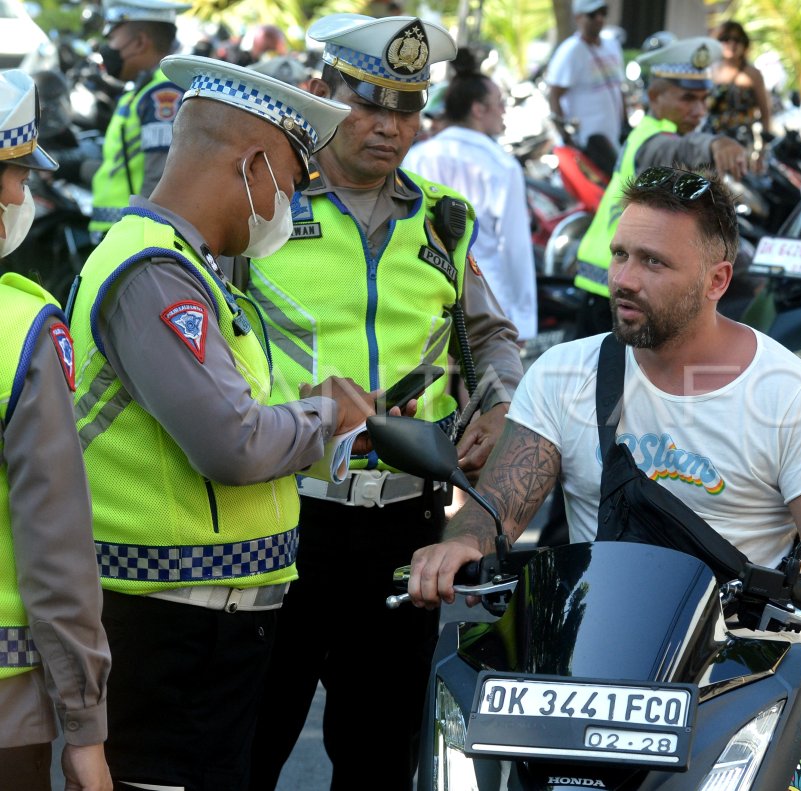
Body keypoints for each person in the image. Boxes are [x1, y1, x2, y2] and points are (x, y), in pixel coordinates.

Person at [408, 167, 801, 789]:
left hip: (738, 679)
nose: (624, 280)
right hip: (586, 670)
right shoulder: (563, 373)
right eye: (620, 255)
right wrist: (462, 542)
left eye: (654, 263)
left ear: (718, 280)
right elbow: (497, 504)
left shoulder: (789, 394)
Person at [68, 54, 374, 790]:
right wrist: (327, 414)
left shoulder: (187, 265)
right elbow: (231, 443)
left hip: (207, 631)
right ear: (254, 166)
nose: (293, 207)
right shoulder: (152, 273)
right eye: (294, 184)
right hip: (170, 636)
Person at [244, 16, 524, 790]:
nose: (389, 126)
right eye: (367, 103)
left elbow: (492, 333)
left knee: (380, 755)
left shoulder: (442, 218)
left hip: (407, 528)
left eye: (407, 108)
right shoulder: (262, 207)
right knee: (248, 742)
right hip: (282, 512)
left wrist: (497, 405)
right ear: (320, 97)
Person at [0, 69, 113, 791]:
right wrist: (85, 729)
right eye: (11, 175)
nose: (18, 195)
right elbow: (55, 550)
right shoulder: (20, 330)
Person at [572, 36, 749, 338]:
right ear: (654, 96)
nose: (700, 109)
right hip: (616, 282)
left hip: (619, 275)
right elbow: (677, 152)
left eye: (704, 99)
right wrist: (714, 144)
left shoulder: (659, 133)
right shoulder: (653, 140)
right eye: (687, 98)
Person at [405, 52, 538, 340]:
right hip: (487, 302)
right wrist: (524, 321)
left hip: (423, 293)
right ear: (478, 109)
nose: (504, 111)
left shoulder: (417, 158)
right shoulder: (502, 166)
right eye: (499, 104)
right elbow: (515, 248)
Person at [88, 0, 191, 236]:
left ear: (139, 42)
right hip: (119, 233)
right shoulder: (140, 90)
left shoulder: (162, 94)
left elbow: (159, 178)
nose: (107, 48)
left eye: (112, 39)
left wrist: (140, 238)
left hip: (132, 236)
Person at [544, 0, 627, 155]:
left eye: (603, 13)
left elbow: (618, 88)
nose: (599, 19)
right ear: (578, 18)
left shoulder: (612, 45)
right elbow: (554, 95)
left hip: (613, 136)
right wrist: (566, 137)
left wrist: (625, 121)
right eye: (592, 14)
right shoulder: (571, 51)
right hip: (587, 142)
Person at [706, 20, 772, 148]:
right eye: (725, 39)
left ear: (744, 44)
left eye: (737, 39)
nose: (731, 44)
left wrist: (763, 148)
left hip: (741, 143)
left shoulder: (753, 74)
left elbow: (765, 113)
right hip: (712, 140)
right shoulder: (709, 71)